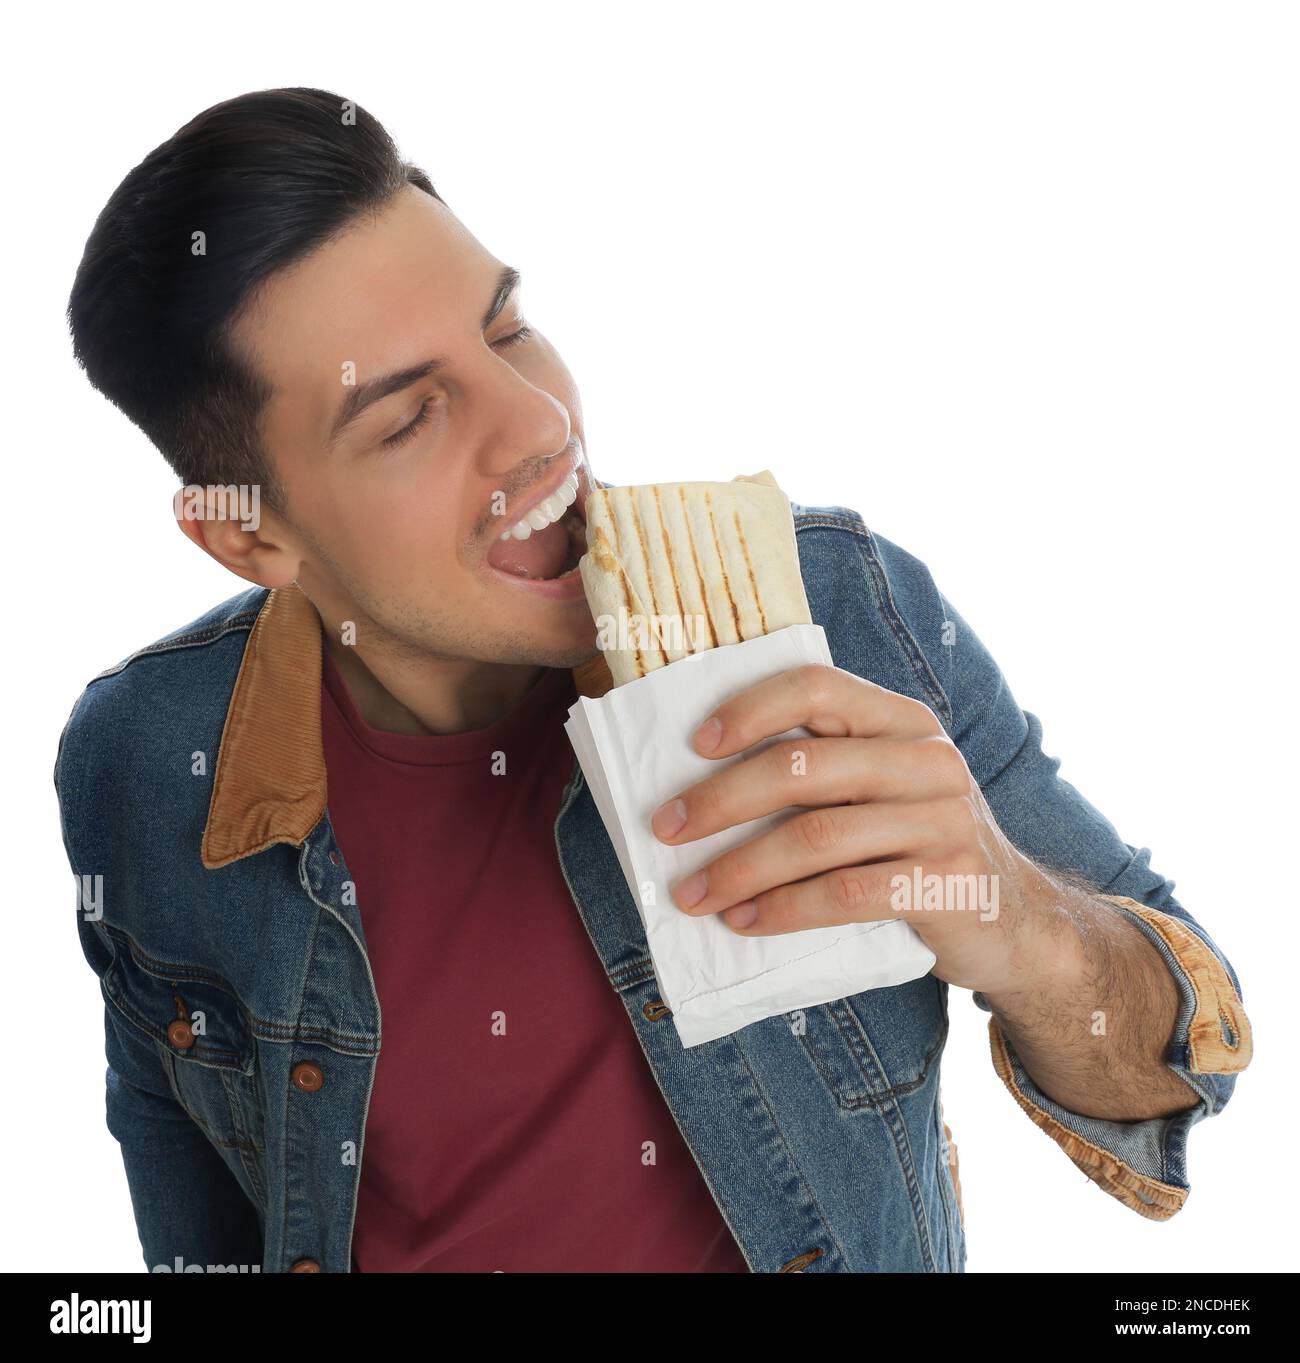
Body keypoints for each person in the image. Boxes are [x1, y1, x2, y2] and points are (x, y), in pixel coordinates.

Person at [55, 87, 1252, 1273]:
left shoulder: (833, 611)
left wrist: (1014, 915)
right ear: (252, 535)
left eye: (507, 328)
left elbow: (1175, 1066)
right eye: (411, 416)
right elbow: (174, 1132)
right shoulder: (146, 755)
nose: (536, 425)